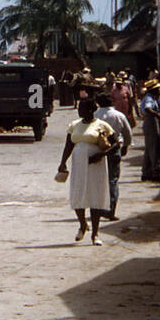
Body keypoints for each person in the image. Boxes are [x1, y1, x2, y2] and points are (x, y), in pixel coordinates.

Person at [58, 97, 118, 245]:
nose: (79, 111)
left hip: (95, 165)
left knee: (94, 195)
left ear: (91, 110)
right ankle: (83, 224)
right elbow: (68, 145)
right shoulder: (74, 125)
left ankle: (96, 234)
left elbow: (116, 143)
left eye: (82, 108)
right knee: (78, 194)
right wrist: (62, 162)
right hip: (79, 164)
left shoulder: (102, 125)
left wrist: (101, 155)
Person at [93, 91, 131, 222]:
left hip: (97, 151)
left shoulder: (94, 116)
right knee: (113, 180)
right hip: (114, 150)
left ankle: (97, 208)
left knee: (98, 180)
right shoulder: (118, 115)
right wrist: (125, 146)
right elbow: (127, 133)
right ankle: (111, 209)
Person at [140, 80, 160, 182]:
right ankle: (155, 172)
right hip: (151, 122)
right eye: (158, 88)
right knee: (154, 148)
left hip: (151, 123)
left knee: (149, 148)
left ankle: (146, 172)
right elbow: (148, 108)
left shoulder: (152, 98)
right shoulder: (149, 98)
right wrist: (157, 115)